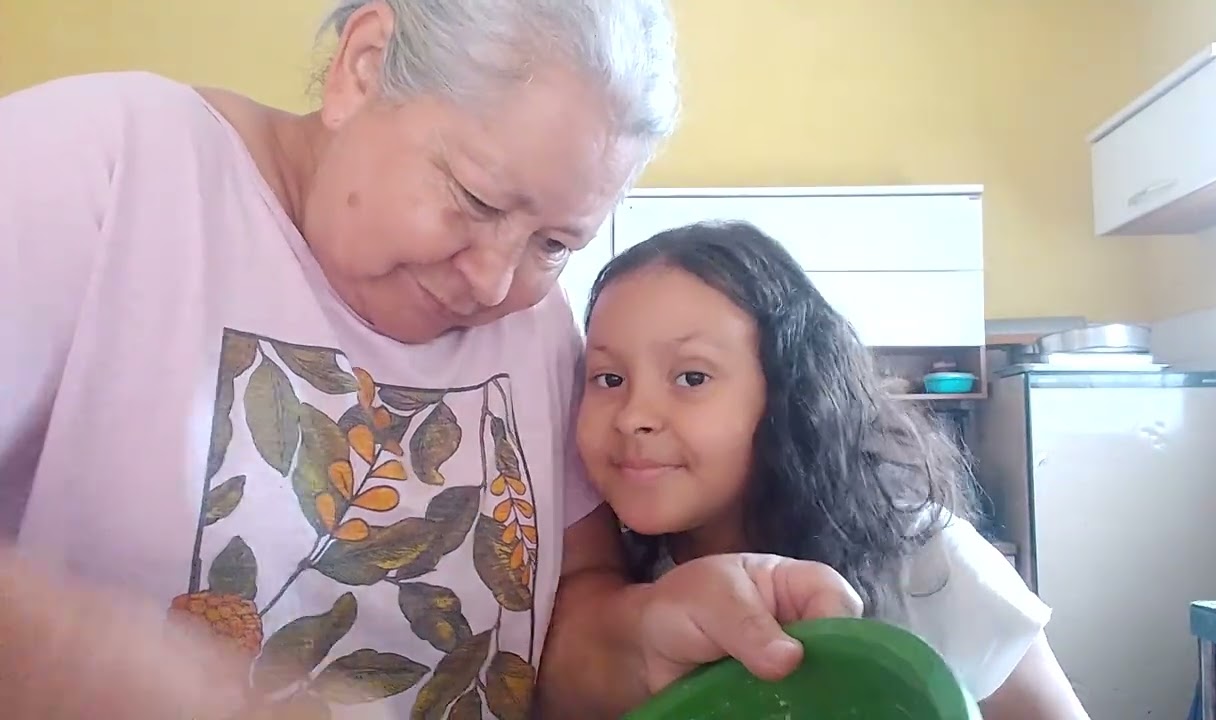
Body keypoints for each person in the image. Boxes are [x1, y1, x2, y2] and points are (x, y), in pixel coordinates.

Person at [0, 2, 863, 718]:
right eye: (475, 198)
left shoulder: (537, 321)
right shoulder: (106, 164)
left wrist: (647, 641)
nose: (495, 283)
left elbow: (561, 618)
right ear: (363, 67)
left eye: (555, 242)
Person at [575, 220, 1093, 719]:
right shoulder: (603, 594)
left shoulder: (928, 564)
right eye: (608, 377)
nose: (634, 417)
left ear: (790, 393)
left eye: (691, 377)